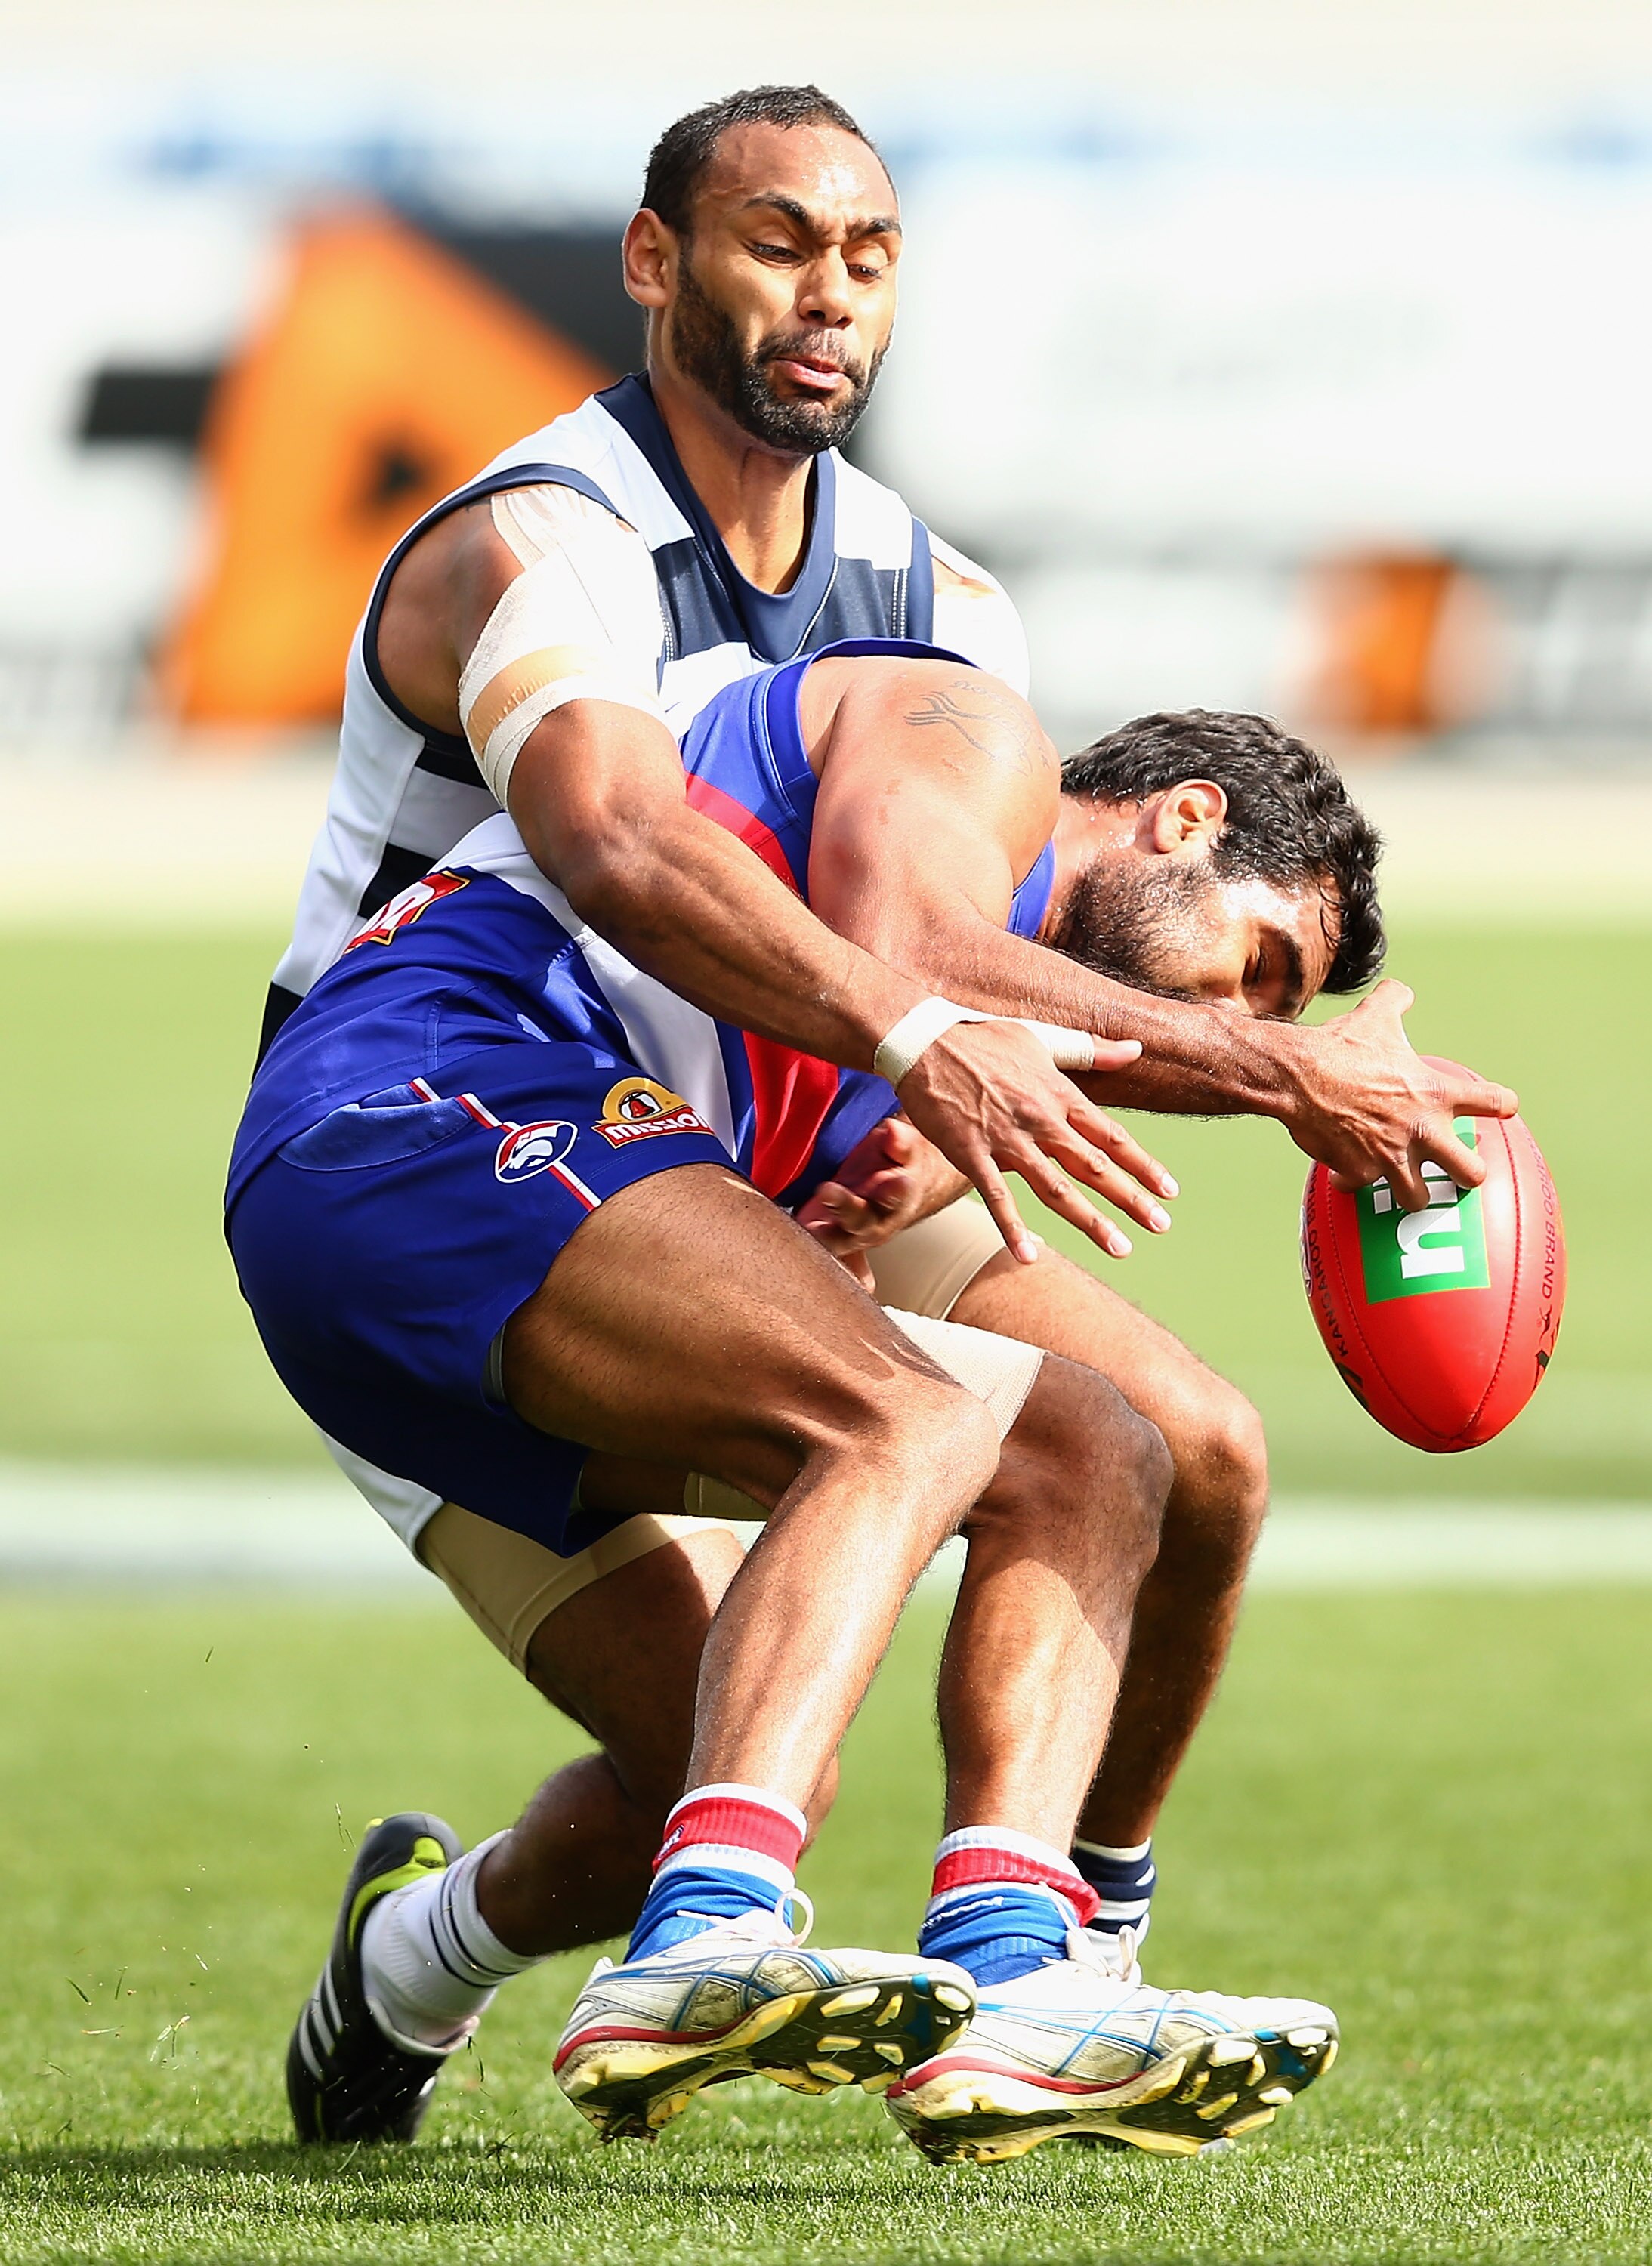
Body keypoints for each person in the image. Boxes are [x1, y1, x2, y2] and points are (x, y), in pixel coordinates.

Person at [257, 82, 1512, 2010]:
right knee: (736, 1736)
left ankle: (1044, 1952)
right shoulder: (534, 541)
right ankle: (645, 1946)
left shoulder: (942, 602)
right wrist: (1186, 1065)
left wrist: (1275, 1090)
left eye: (868, 255)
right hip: (451, 1120)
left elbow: (960, 934)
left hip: (753, 1118)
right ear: (654, 261)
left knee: (1173, 1449)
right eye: (779, 242)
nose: (829, 295)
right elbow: (634, 851)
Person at [230, 659, 1400, 2163]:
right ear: (1181, 818)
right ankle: (710, 1936)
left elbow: (886, 1060)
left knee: (1074, 1458)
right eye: (1256, 963)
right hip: (423, 1116)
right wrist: (1283, 1068)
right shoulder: (972, 738)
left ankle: (424, 1968)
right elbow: (906, 946)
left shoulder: (939, 1058)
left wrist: (842, 1190)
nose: (1234, 1013)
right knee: (911, 1423)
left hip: (476, 1278)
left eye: (1267, 1007)